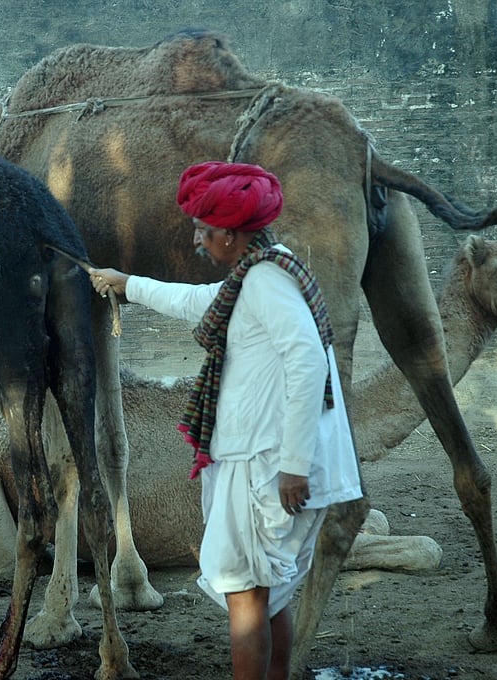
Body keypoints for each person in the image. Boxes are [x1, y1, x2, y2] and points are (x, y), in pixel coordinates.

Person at [89, 161, 362, 680]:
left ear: (233, 235)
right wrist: (125, 284)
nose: (197, 241)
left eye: (203, 231)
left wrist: (293, 465)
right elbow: (197, 301)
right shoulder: (263, 271)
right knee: (266, 594)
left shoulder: (263, 281)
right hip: (261, 458)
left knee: (244, 593)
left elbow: (306, 361)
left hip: (268, 464)